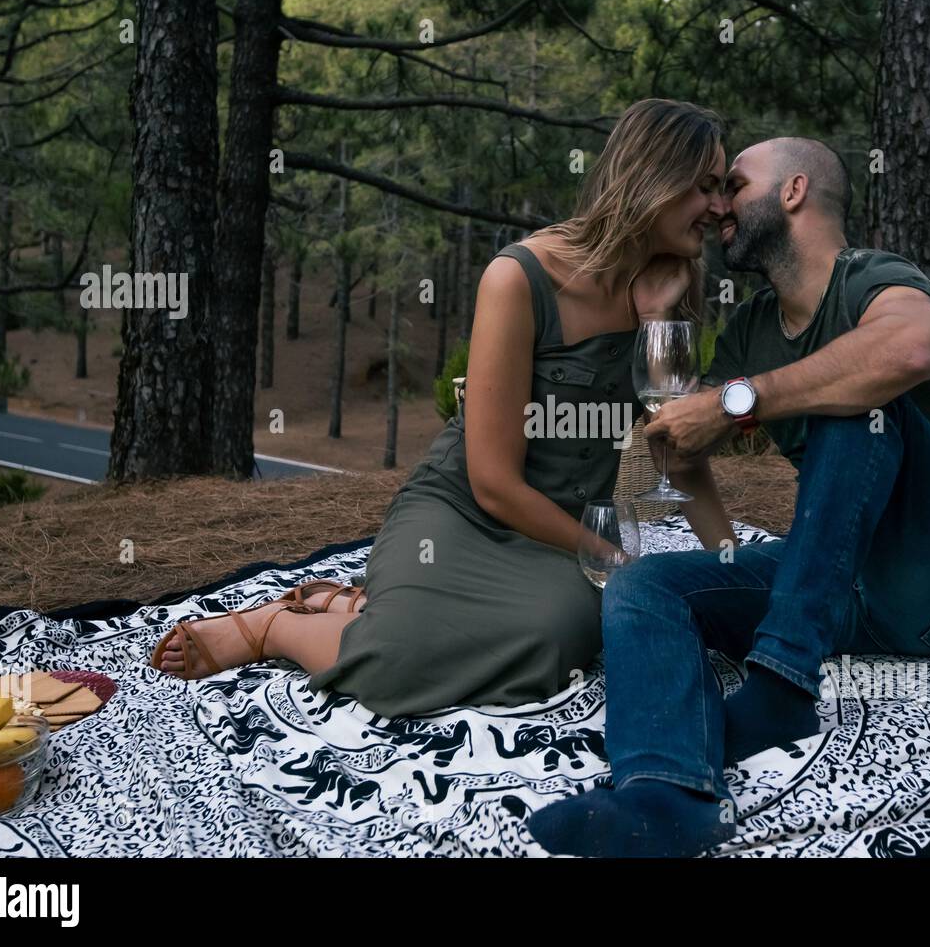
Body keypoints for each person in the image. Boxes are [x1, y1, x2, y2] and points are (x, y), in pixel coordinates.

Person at [150, 99, 733, 717]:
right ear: (654, 180)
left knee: (554, 640)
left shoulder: (672, 284)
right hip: (464, 508)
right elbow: (492, 484)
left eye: (724, 189)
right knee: (398, 666)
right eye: (705, 187)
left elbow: (681, 454)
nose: (720, 208)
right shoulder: (520, 277)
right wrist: (615, 560)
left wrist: (737, 573)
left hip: (557, 535)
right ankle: (276, 626)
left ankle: (352, 605)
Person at [528, 137, 930, 857]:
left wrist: (735, 400)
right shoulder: (756, 327)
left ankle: (782, 683)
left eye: (733, 184)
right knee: (641, 586)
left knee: (860, 400)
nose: (717, 204)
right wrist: (664, 323)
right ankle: (666, 796)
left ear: (792, 192)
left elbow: (908, 352)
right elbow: (686, 436)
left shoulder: (875, 280)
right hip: (840, 583)